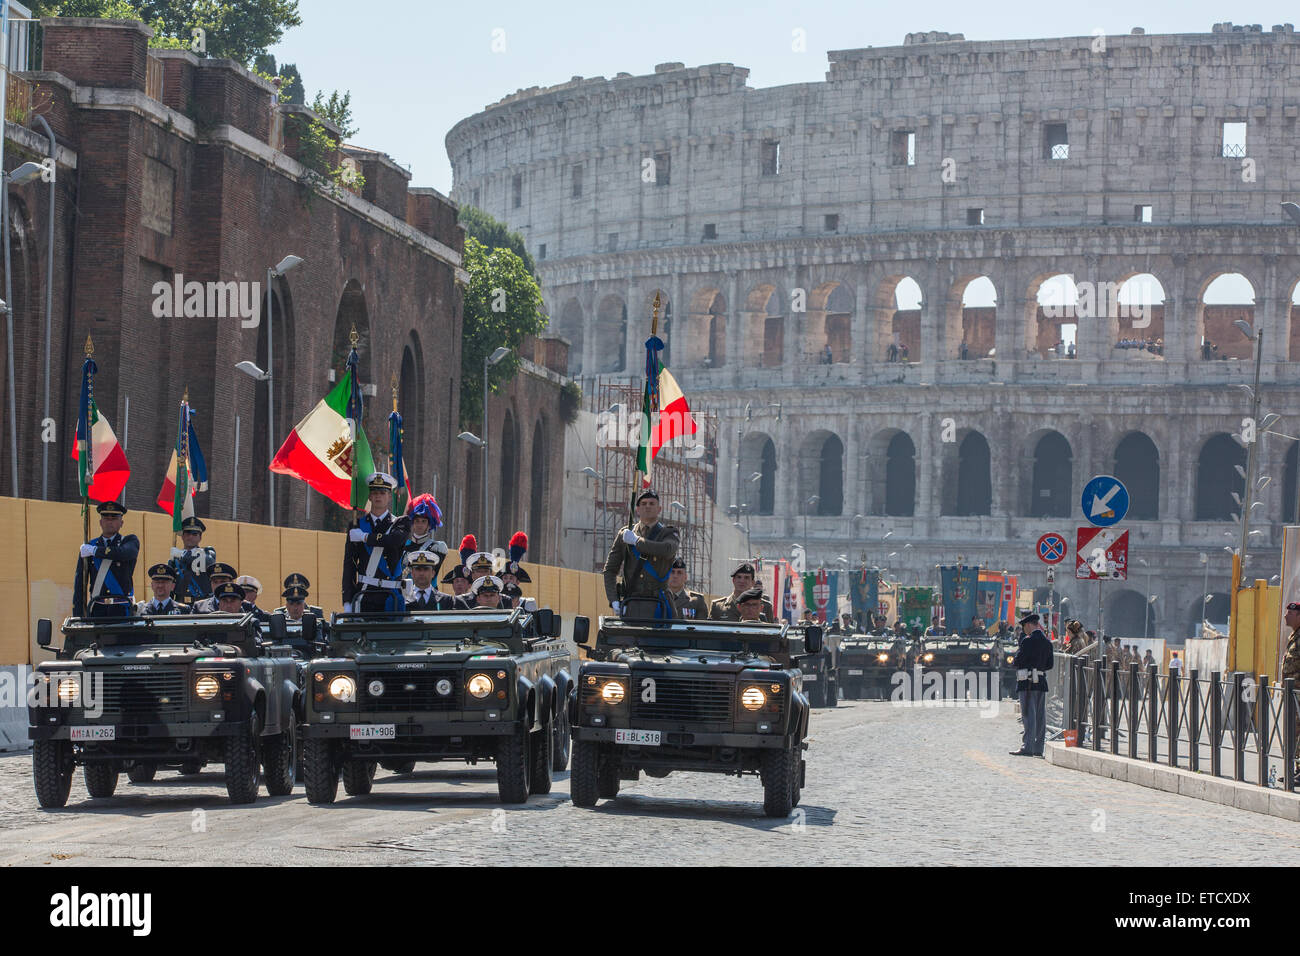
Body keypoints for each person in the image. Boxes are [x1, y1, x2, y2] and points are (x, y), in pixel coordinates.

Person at [602, 489, 680, 619]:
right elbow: (610, 569)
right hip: (632, 603)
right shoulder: (625, 533)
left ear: (659, 509)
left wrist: (636, 541)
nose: (647, 506)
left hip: (659, 605)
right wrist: (614, 600)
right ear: (637, 509)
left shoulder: (668, 533)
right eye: (643, 504)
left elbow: (667, 550)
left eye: (651, 503)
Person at [342, 472, 413, 613]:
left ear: (389, 497)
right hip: (364, 595)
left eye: (382, 492)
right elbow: (349, 565)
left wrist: (365, 537)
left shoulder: (400, 523)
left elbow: (394, 540)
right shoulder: (357, 525)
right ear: (369, 496)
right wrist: (347, 600)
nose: (378, 496)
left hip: (391, 596)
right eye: (374, 492)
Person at [73, 501, 140, 618]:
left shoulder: (129, 541)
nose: (110, 522)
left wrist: (95, 551)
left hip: (122, 609)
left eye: (114, 518)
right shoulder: (89, 546)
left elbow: (124, 553)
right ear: (100, 522)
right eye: (106, 518)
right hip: (97, 609)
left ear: (121, 523)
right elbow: (80, 585)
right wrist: (78, 615)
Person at [1010, 612, 1052, 757]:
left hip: (1027, 682)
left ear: (1028, 625)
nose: (1023, 631)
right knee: (1040, 717)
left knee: (1028, 715)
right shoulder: (1047, 642)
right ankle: (1038, 748)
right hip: (1041, 681)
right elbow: (1050, 664)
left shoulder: (1027, 641)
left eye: (1024, 627)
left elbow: (1018, 661)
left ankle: (1027, 746)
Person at [168, 516, 217, 606]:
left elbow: (209, 561)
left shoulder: (207, 552)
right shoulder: (175, 558)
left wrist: (182, 554)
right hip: (180, 603)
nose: (190, 537)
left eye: (194, 534)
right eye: (187, 533)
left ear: (200, 537)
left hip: (202, 603)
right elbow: (170, 582)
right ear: (182, 536)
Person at [710, 563, 774, 622]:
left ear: (753, 582)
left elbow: (771, 631)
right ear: (733, 580)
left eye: (746, 578)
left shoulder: (765, 606)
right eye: (739, 577)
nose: (742, 581)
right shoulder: (718, 606)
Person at [1282, 602, 1300, 783]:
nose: (1286, 616)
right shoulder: (1294, 635)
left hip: (1299, 693)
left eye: (1290, 614)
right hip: (1294, 693)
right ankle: (1295, 769)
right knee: (1293, 733)